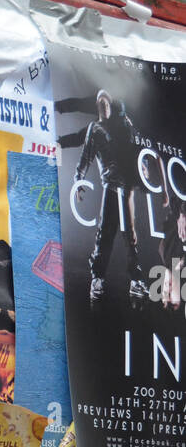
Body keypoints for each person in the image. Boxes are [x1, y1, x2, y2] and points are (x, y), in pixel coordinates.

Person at [73, 90, 147, 304]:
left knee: (130, 235)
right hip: (110, 187)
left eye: (107, 103)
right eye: (101, 103)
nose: (104, 106)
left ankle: (136, 280)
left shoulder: (123, 124)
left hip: (127, 187)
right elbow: (85, 156)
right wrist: (78, 179)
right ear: (97, 105)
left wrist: (142, 165)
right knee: (104, 234)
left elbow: (137, 148)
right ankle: (97, 278)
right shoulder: (94, 129)